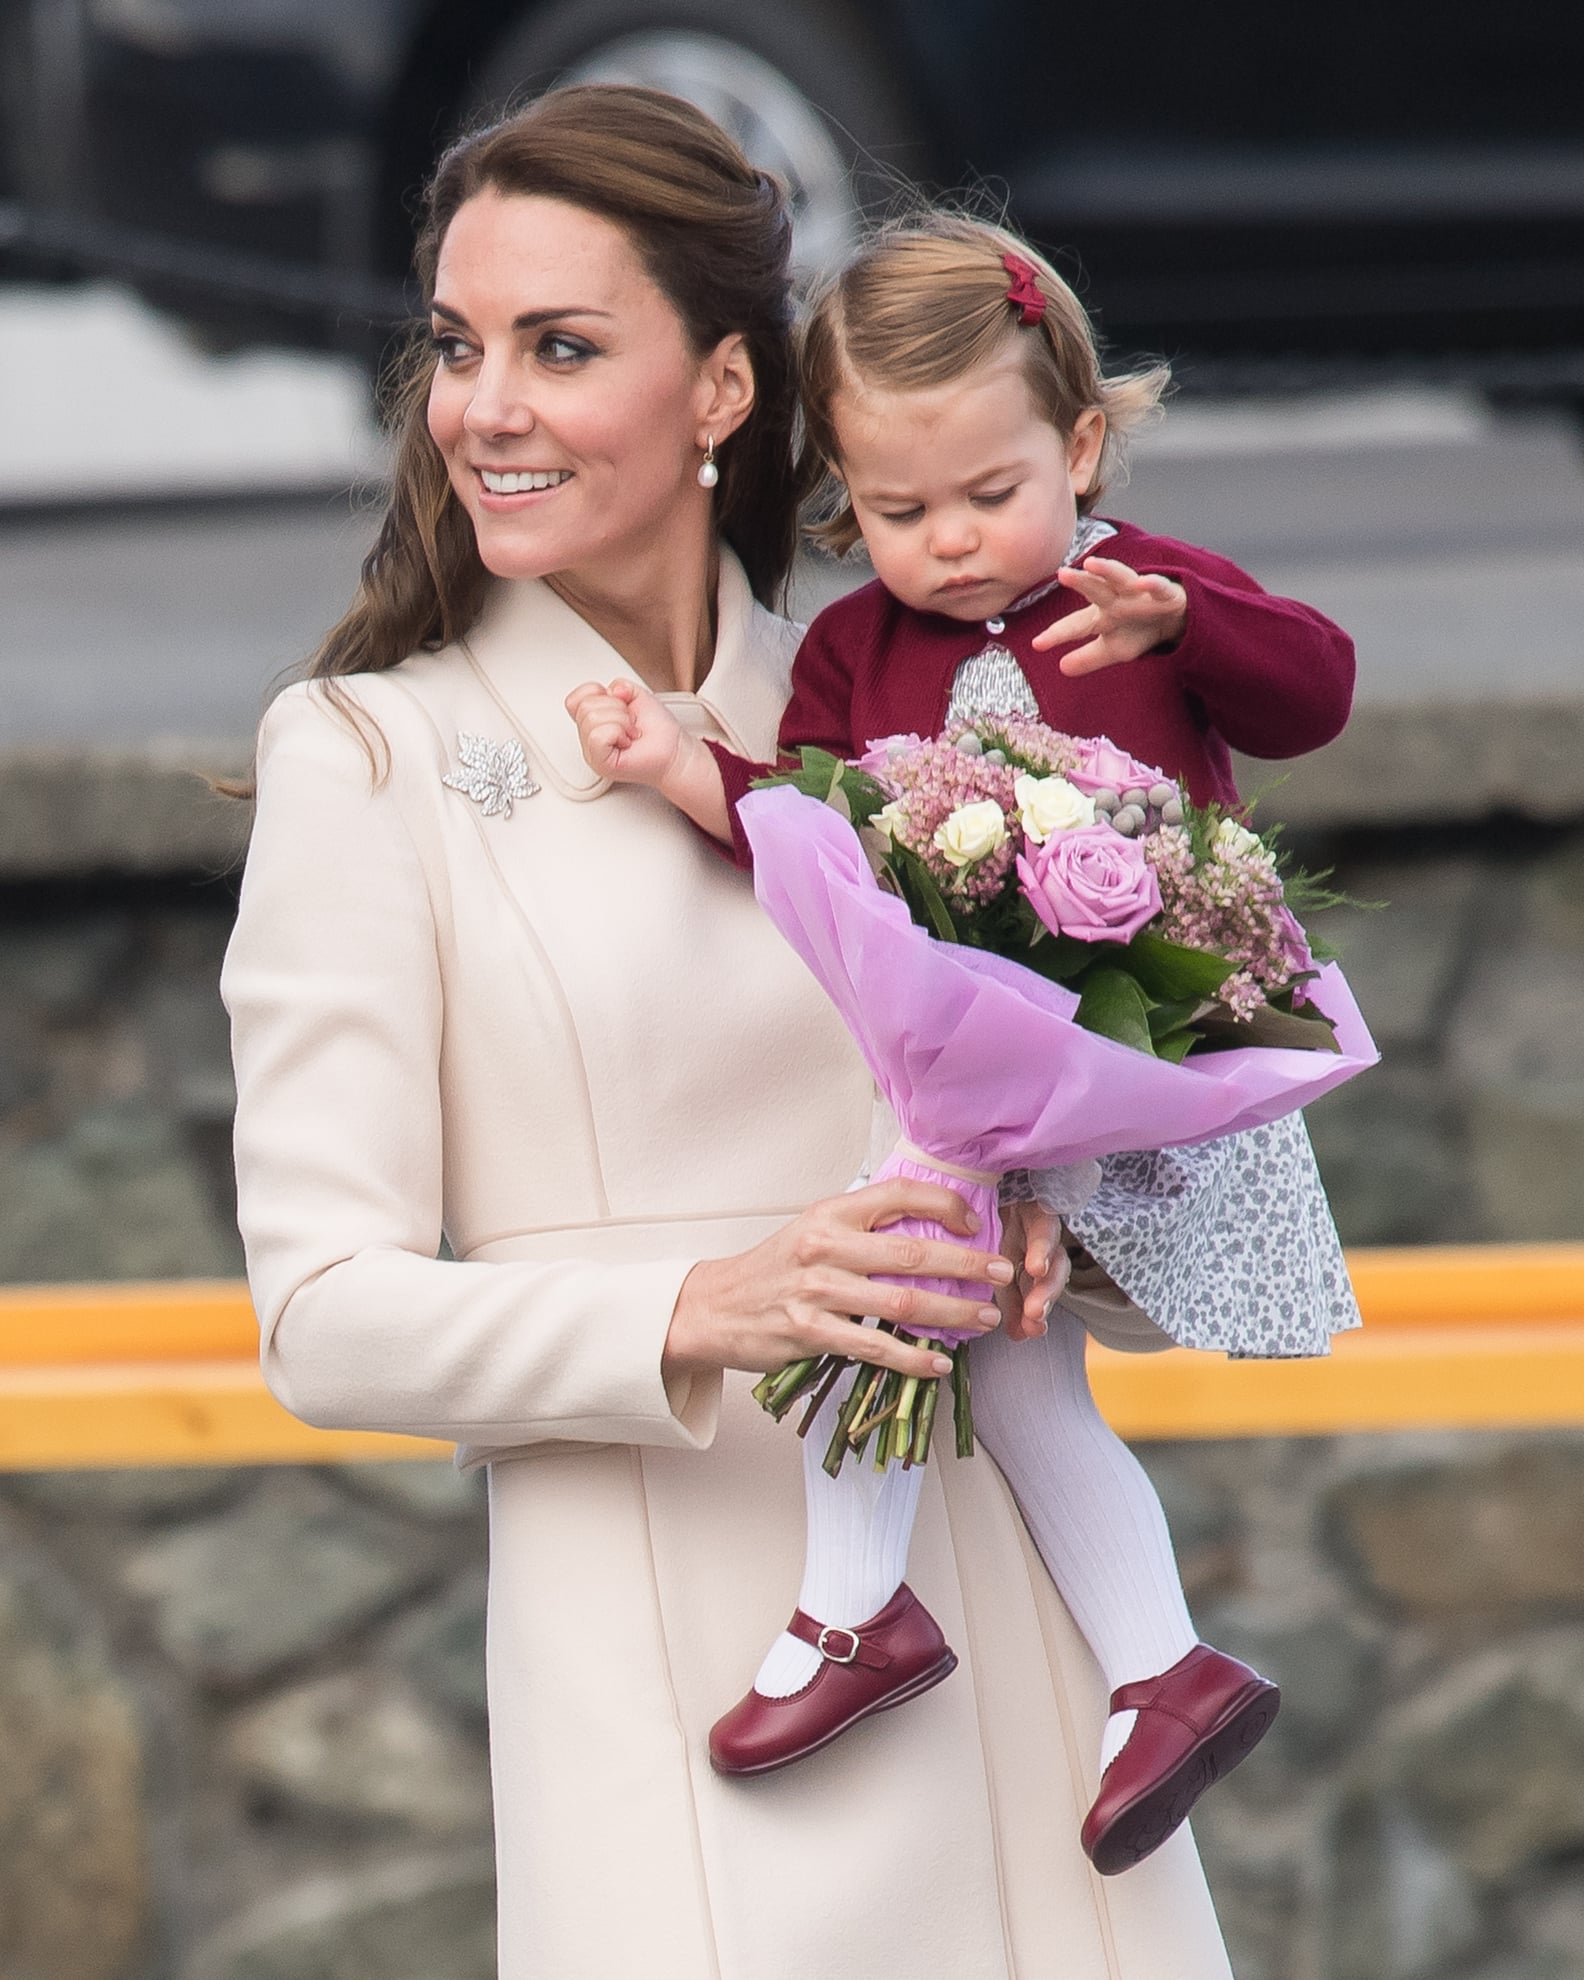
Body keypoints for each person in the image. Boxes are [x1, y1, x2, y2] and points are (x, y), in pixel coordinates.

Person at [222, 91, 1238, 1978]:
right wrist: (713, 1305)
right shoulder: (364, 757)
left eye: (561, 347)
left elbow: (1155, 1205)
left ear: (720, 394)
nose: (485, 408)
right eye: (460, 347)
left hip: (1028, 1697)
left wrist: (1058, 1230)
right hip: (693, 1720)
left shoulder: (909, 712)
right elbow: (320, 1315)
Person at [569, 211, 1358, 1875]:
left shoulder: (1134, 586)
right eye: (896, 512)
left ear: (1078, 447)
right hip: (991, 1089)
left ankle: (853, 1611)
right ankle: (1162, 1668)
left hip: (1154, 1059)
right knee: (1006, 1364)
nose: (951, 546)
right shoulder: (860, 653)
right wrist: (676, 768)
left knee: (899, 1255)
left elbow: (1315, 691)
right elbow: (816, 841)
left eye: (992, 495)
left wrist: (1187, 629)